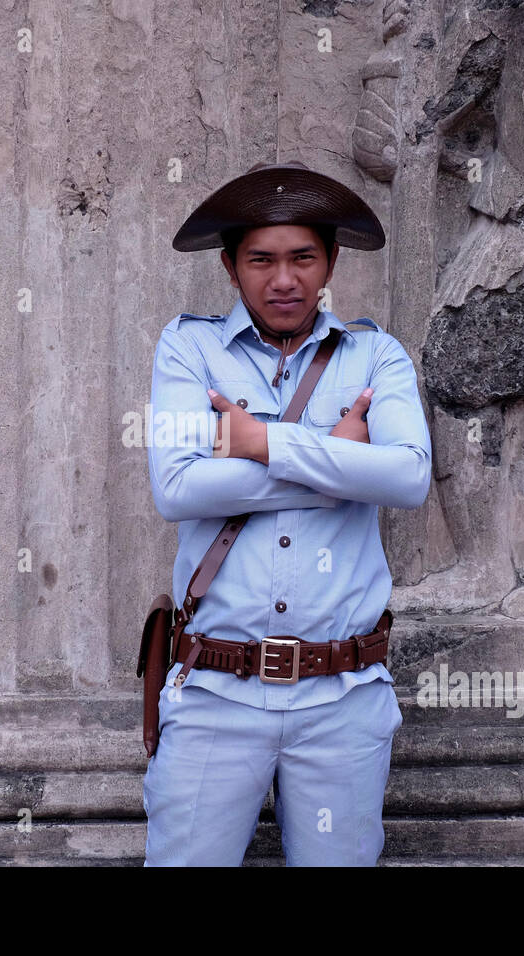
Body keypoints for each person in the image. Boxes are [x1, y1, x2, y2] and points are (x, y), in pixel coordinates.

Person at [143, 160, 433, 866]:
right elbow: (177, 488)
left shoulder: (376, 356)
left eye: (303, 257)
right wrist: (335, 465)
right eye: (262, 259)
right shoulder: (189, 348)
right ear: (230, 266)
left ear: (330, 261)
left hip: (343, 696)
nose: (284, 279)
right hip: (215, 692)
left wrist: (259, 442)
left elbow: (408, 476)